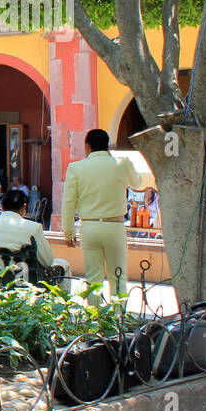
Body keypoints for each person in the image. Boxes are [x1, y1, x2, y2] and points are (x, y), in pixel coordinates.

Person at [61, 128, 141, 302]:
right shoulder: (122, 163)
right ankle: (118, 317)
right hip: (115, 225)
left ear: (87, 146)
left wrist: (68, 231)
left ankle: (96, 318)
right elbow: (137, 183)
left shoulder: (76, 168)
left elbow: (68, 202)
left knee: (94, 278)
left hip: (89, 226)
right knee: (118, 275)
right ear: (107, 146)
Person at [0, 188, 66, 282]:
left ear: (1, 206)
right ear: (23, 208)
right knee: (63, 264)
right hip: (21, 281)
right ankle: (63, 296)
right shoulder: (33, 227)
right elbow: (47, 261)